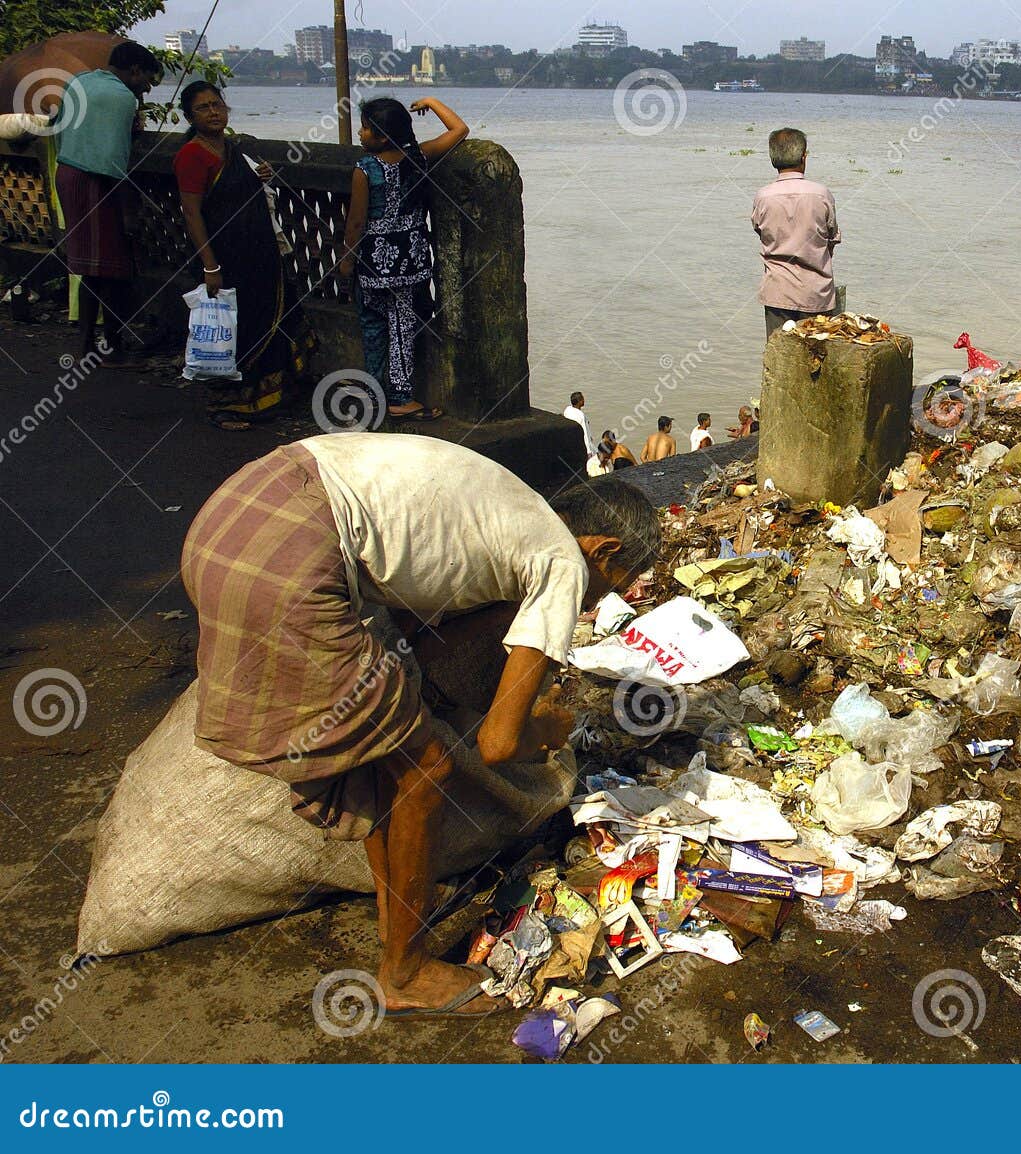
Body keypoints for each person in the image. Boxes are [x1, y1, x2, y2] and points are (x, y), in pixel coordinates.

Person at [180, 434, 660, 1015]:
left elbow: (428, 641)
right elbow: (498, 744)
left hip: (231, 517)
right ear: (603, 549)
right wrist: (547, 729)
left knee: (395, 755)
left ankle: (396, 932)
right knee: (426, 769)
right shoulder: (561, 559)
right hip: (290, 560)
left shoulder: (506, 515)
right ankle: (403, 973)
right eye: (611, 583)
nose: (593, 602)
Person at [175, 81, 308, 430]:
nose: (213, 112)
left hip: (257, 254)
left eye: (217, 104)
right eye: (203, 107)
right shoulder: (191, 155)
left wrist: (257, 175)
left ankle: (266, 396)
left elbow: (242, 191)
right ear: (189, 116)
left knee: (264, 319)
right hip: (225, 255)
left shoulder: (231, 150)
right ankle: (228, 405)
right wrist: (210, 265)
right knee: (236, 329)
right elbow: (192, 212)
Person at [338, 96, 468, 422]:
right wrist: (433, 102)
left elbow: (356, 222)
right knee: (402, 327)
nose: (360, 132)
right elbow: (460, 129)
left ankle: (375, 394)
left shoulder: (365, 170)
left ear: (381, 137)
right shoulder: (418, 157)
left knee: (372, 325)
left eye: (366, 128)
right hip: (410, 259)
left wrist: (347, 259)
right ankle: (400, 396)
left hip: (374, 260)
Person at [51, 42, 162, 362]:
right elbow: (115, 159)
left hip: (68, 174)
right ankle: (111, 343)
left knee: (90, 268)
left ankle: (87, 342)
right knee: (112, 268)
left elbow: (63, 129)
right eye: (146, 81)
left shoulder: (78, 81)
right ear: (136, 70)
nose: (146, 88)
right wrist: (128, 213)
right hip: (97, 183)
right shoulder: (121, 97)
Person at [751, 127, 840, 339]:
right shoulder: (821, 193)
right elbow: (832, 237)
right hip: (816, 291)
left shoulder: (763, 197)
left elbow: (760, 231)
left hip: (777, 291)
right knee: (817, 360)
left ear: (773, 159)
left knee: (780, 359)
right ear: (804, 157)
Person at [564, 391, 594, 456]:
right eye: (582, 399)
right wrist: (589, 451)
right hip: (582, 445)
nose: (584, 400)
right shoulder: (581, 416)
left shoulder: (567, 410)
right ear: (579, 401)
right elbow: (585, 433)